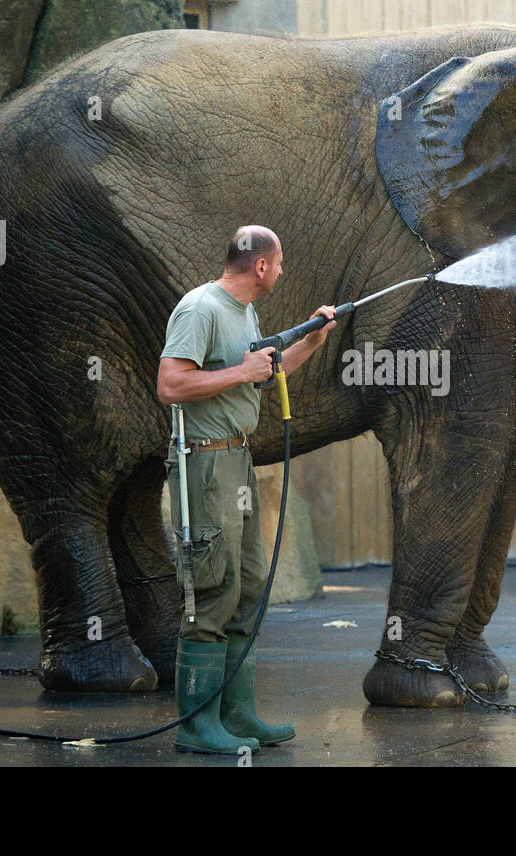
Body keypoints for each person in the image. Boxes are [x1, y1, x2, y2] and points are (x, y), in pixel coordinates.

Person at [156, 225, 336, 754]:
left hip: (237, 460)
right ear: (261, 266)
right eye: (279, 263)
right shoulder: (200, 309)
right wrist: (239, 373)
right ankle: (197, 726)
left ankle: (238, 717)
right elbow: (171, 384)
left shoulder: (244, 314)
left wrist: (311, 340)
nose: (282, 272)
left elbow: (263, 373)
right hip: (204, 465)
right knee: (212, 587)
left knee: (249, 585)